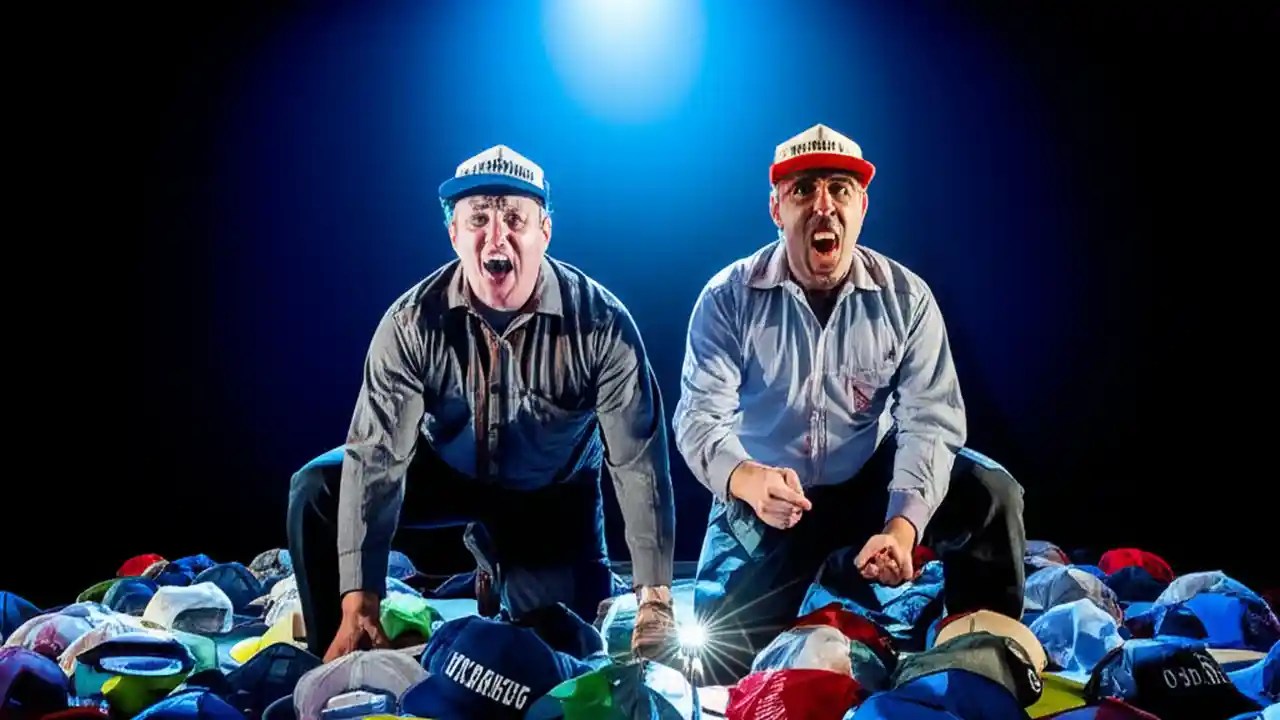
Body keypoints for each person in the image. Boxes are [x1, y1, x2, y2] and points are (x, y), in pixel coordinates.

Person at [287, 144, 678, 662]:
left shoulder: (603, 324)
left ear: (545, 231)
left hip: (551, 489)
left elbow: (638, 464)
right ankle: (331, 663)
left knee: (560, 649)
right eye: (478, 219)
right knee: (317, 489)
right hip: (446, 470)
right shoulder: (410, 324)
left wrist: (655, 601)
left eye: (514, 217)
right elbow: (376, 459)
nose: (497, 236)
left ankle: (501, 567)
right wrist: (361, 601)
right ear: (454, 235)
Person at [672, 123, 1027, 684]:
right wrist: (744, 478)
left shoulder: (906, 297)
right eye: (803, 190)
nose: (823, 207)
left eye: (839, 189)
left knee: (991, 493)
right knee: (718, 659)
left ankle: (985, 661)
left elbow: (929, 423)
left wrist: (903, 528)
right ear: (775, 208)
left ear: (862, 206)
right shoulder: (726, 298)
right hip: (769, 493)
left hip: (869, 479)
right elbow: (697, 419)